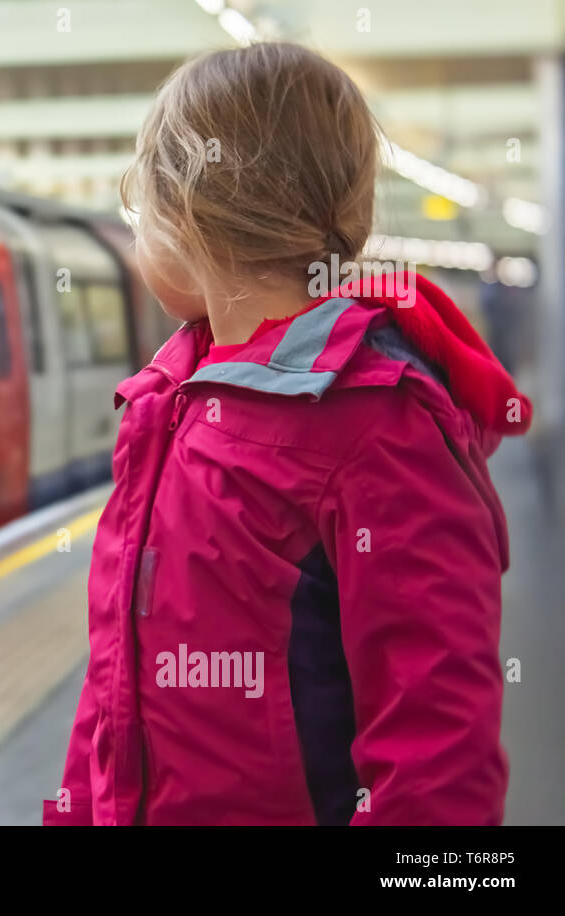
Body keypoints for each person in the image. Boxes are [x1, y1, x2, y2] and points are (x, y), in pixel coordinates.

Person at [46, 43, 529, 827]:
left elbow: (438, 757)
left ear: (187, 215)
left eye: (142, 209)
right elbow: (113, 699)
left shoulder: (382, 428)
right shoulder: (167, 403)